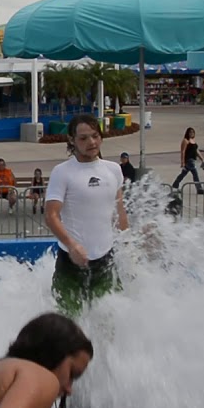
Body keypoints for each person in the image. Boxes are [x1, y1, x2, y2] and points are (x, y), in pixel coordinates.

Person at [44, 114, 129, 315]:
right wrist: (72, 245)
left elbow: (119, 212)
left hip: (106, 261)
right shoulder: (62, 172)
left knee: (109, 321)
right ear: (72, 141)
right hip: (71, 263)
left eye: (95, 136)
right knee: (69, 323)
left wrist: (129, 246)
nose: (91, 142)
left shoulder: (113, 170)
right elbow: (51, 215)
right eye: (83, 138)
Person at [170, 127, 204, 194]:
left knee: (183, 174)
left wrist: (202, 159)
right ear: (187, 133)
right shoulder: (185, 141)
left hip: (193, 160)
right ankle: (199, 189)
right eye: (190, 132)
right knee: (195, 174)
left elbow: (196, 151)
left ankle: (175, 186)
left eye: (193, 132)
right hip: (189, 160)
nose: (192, 133)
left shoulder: (193, 141)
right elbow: (183, 151)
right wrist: (182, 162)